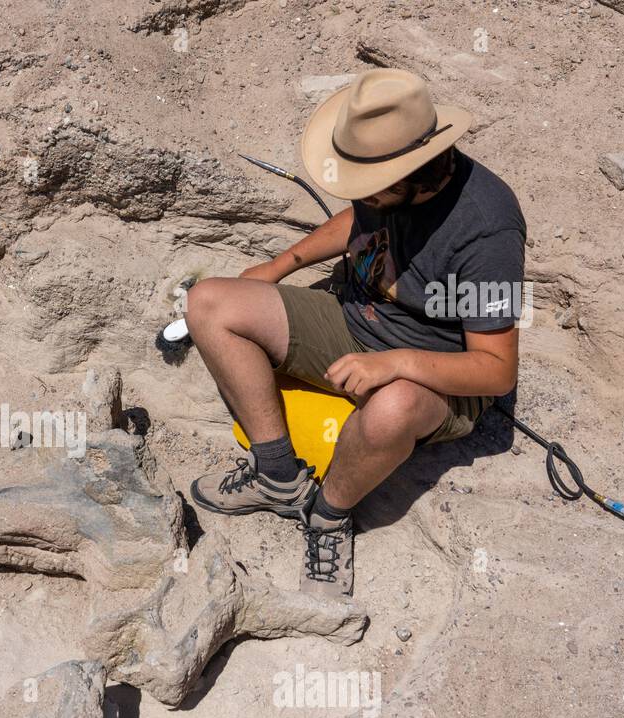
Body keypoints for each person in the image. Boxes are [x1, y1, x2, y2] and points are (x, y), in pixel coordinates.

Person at [186, 68, 525, 599]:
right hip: (352, 321)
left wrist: (394, 364)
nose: (362, 194)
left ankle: (328, 517)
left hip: (436, 373)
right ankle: (278, 476)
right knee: (209, 302)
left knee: (393, 409)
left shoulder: (486, 229)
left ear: (417, 171)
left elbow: (497, 370)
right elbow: (357, 221)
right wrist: (282, 264)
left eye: (371, 186)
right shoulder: (391, 186)